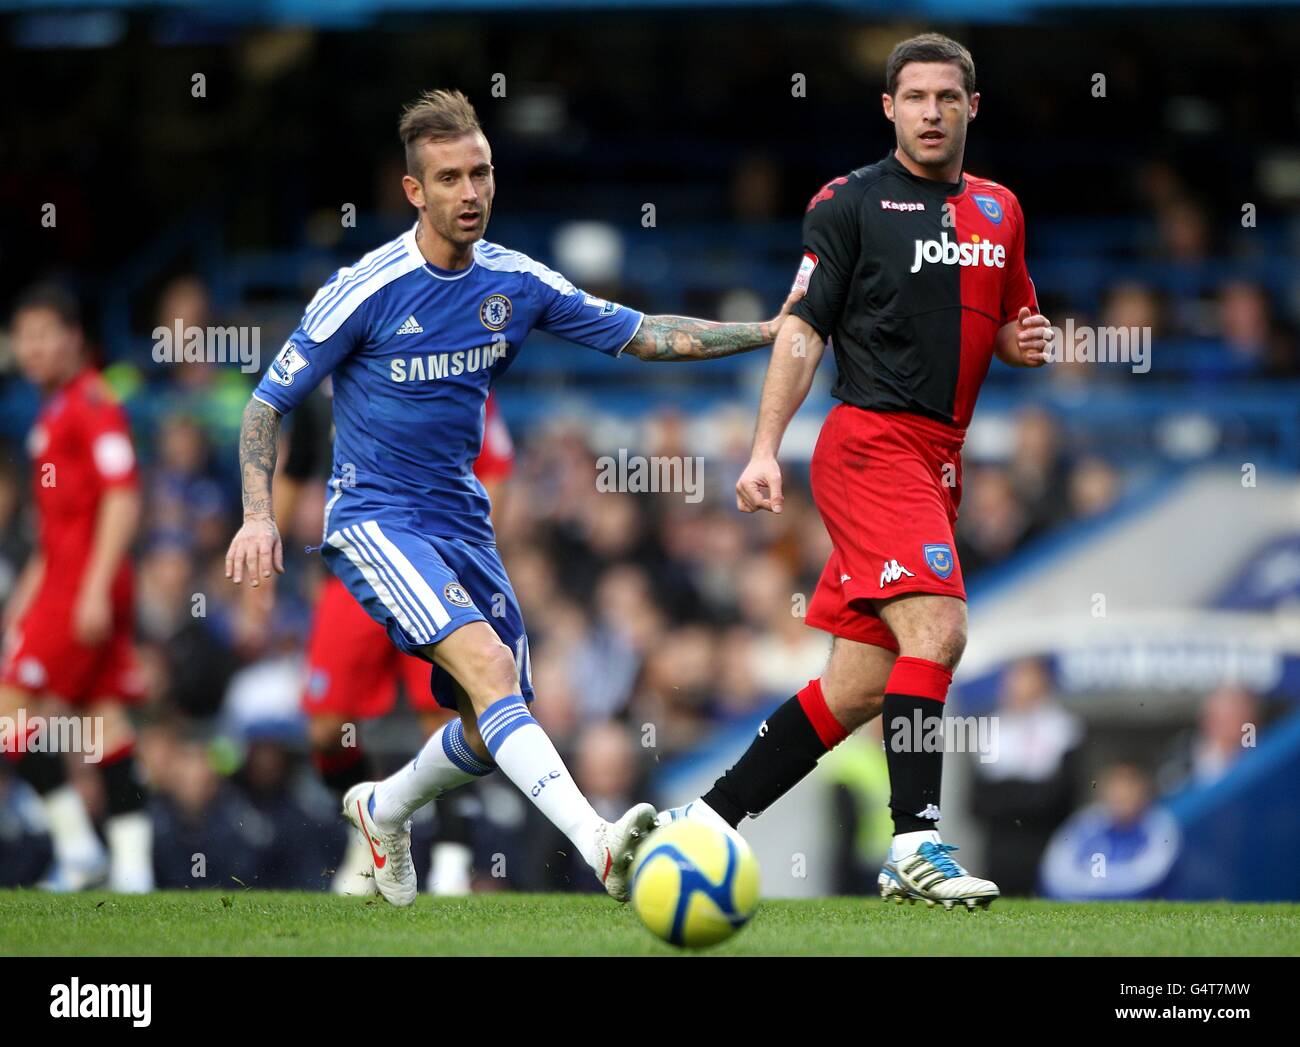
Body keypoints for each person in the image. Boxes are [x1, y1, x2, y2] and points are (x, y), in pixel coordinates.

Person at [225, 88, 800, 907]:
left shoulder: (516, 282)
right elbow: (265, 403)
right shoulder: (366, 287)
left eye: (483, 173)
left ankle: (382, 807)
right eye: (451, 178)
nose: (472, 193)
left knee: (493, 721)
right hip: (375, 520)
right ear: (414, 191)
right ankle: (601, 844)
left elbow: (644, 333)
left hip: (462, 520)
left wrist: (765, 333)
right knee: (491, 668)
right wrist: (256, 515)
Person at [659, 32, 1050, 911]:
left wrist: (1025, 342)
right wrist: (764, 447)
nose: (932, 111)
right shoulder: (848, 203)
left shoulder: (1001, 210)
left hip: (939, 463)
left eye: (948, 97)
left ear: (971, 107)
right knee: (941, 630)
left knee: (859, 686)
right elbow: (801, 329)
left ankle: (706, 820)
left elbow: (1016, 322)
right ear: (889, 108)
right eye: (915, 97)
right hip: (871, 445)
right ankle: (916, 838)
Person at [0, 284, 152, 892]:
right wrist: (21, 601)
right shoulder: (53, 410)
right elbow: (52, 530)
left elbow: (123, 494)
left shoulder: (92, 402)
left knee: (8, 714)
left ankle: (76, 846)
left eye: (43, 334)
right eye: (23, 335)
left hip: (82, 586)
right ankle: (135, 871)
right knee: (106, 720)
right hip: (67, 581)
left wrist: (90, 589)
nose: (31, 347)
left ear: (72, 337)